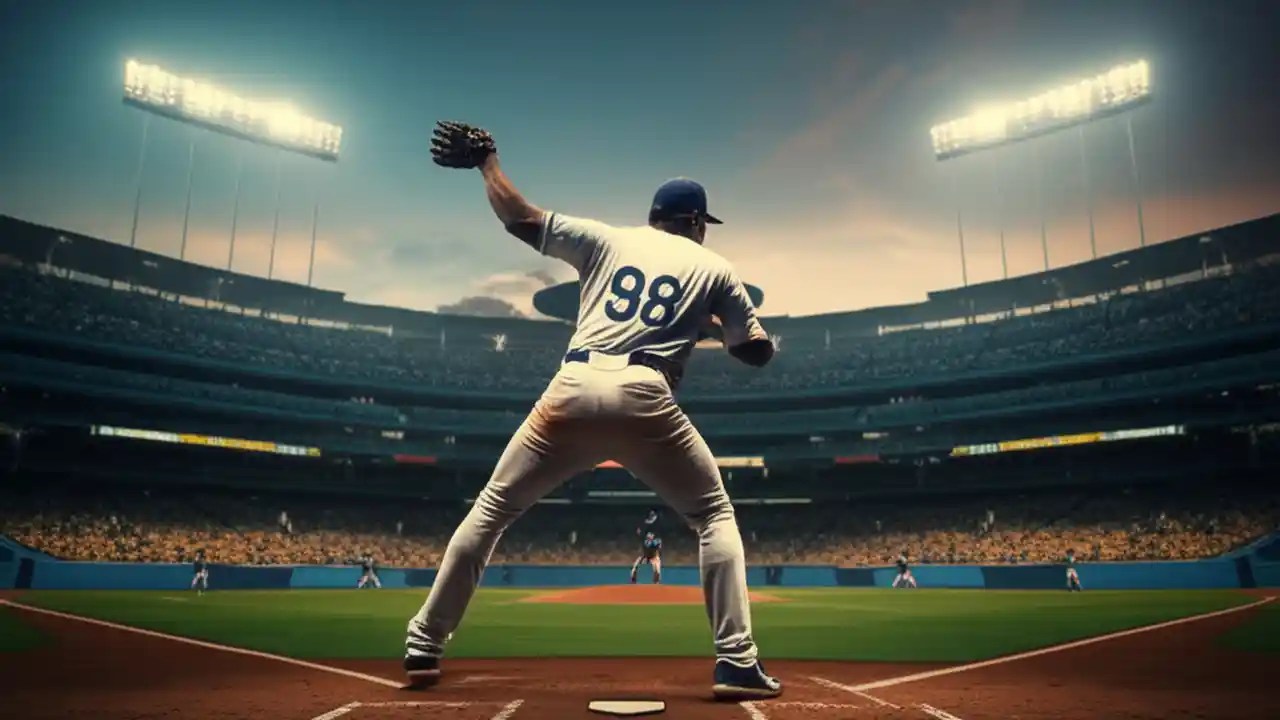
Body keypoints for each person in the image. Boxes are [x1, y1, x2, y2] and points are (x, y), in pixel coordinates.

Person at [404, 121, 781, 700]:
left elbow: (520, 219)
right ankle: (735, 662)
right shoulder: (716, 269)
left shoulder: (607, 239)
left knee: (492, 509)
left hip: (574, 383)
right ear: (696, 223)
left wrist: (488, 164)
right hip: (646, 392)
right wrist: (714, 327)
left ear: (654, 216)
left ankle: (425, 643)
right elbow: (751, 353)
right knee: (712, 518)